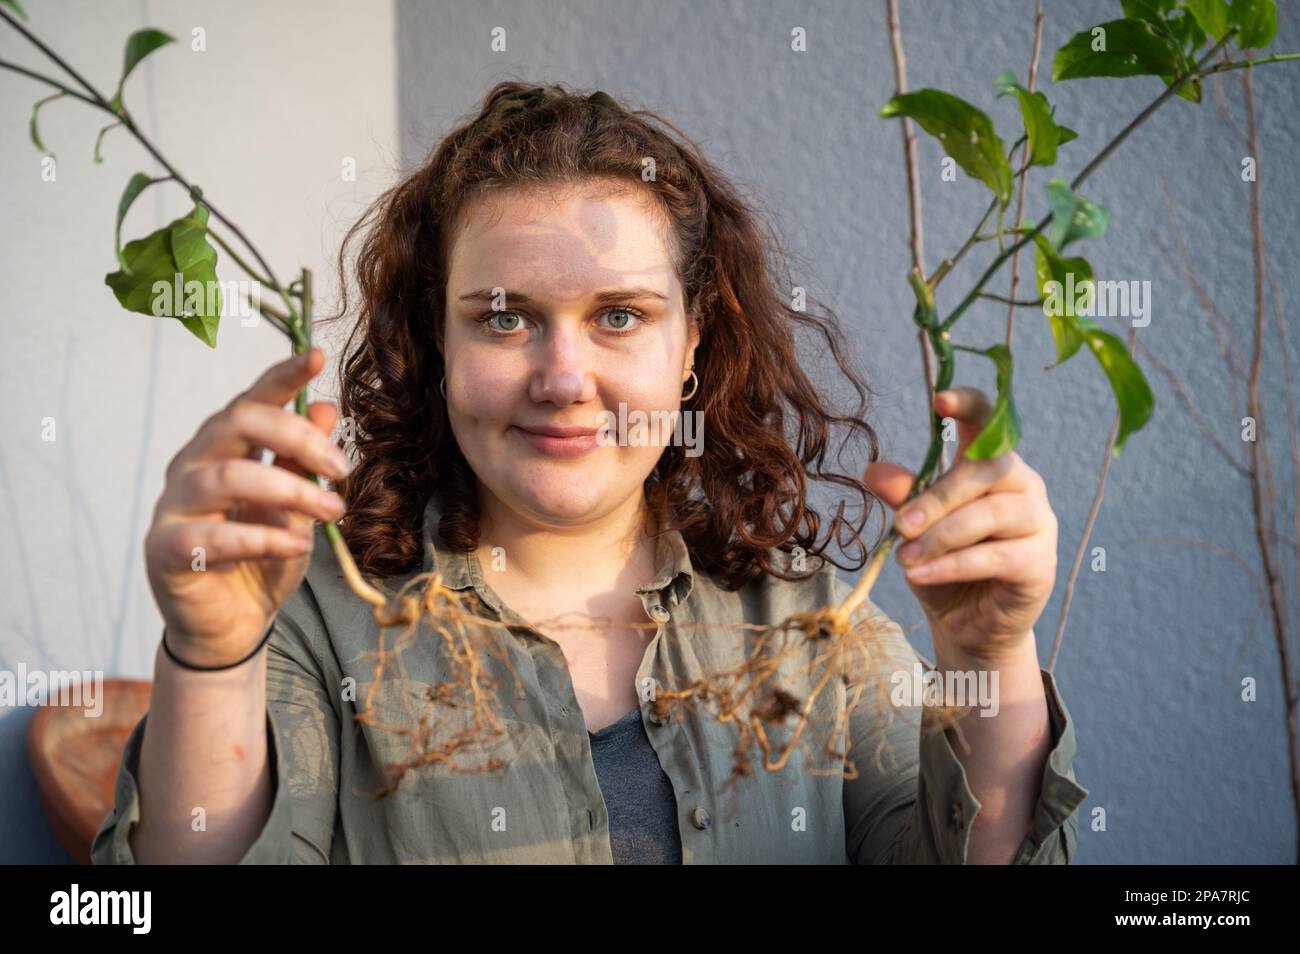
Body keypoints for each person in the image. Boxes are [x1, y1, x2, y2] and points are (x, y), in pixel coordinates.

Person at [92, 82, 1086, 865]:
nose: (563, 379)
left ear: (691, 341)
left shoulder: (812, 624)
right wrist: (211, 655)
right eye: (503, 316)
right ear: (436, 343)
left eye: (619, 315)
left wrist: (991, 653)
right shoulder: (317, 618)